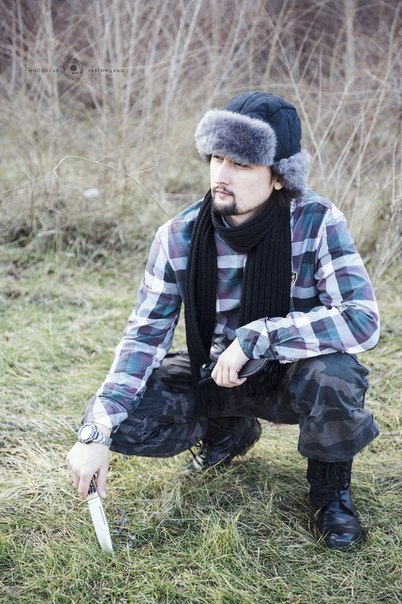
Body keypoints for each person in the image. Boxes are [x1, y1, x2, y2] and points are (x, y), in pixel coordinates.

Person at [67, 91, 380, 549]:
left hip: (287, 376)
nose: (221, 175)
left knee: (335, 373)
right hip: (212, 373)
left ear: (279, 177)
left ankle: (330, 491)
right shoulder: (178, 236)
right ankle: (228, 431)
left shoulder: (316, 222)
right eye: (216, 158)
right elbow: (143, 339)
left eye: (241, 163)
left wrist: (259, 338)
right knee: (120, 419)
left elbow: (361, 319)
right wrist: (96, 431)